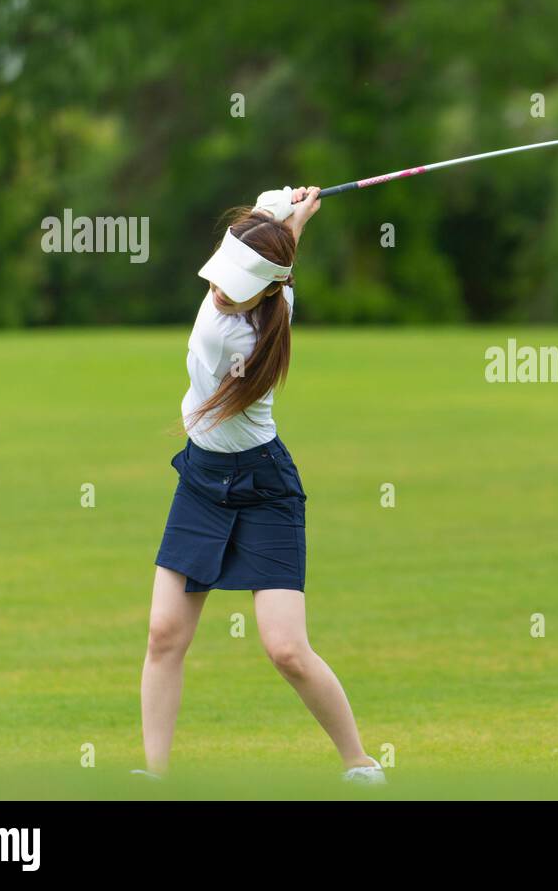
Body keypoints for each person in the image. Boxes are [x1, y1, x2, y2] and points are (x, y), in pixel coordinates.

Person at [136, 185, 385, 783]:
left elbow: (269, 252)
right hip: (202, 478)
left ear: (268, 291)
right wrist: (289, 213)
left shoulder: (230, 335)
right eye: (222, 277)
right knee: (164, 632)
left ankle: (360, 764)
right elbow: (272, 251)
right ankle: (154, 777)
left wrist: (280, 210)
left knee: (286, 650)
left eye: (234, 286)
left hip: (263, 485)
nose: (219, 292)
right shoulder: (271, 293)